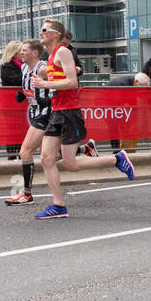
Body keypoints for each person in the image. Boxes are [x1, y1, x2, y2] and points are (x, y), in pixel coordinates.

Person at [30, 19, 134, 218]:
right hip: (57, 112)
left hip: (69, 113)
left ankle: (116, 159)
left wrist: (45, 85)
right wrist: (44, 78)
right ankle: (58, 206)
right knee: (46, 158)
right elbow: (61, 76)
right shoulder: (52, 56)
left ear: (55, 34)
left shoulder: (63, 52)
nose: (40, 33)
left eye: (44, 30)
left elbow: (72, 83)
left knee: (70, 164)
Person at [5, 38, 52, 205]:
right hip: (34, 113)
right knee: (50, 155)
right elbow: (30, 88)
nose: (21, 52)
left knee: (25, 152)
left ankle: (27, 194)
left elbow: (63, 85)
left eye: (24, 50)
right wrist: (23, 94)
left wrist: (50, 99)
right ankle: (85, 148)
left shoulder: (43, 69)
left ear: (35, 53)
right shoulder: (24, 67)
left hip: (46, 114)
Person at [0, 40, 24, 159]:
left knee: (22, 127)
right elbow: (15, 80)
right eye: (21, 51)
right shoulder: (7, 65)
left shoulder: (23, 65)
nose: (23, 53)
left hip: (22, 101)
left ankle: (22, 152)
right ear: (14, 53)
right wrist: (26, 72)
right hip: (10, 101)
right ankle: (12, 155)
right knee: (12, 127)